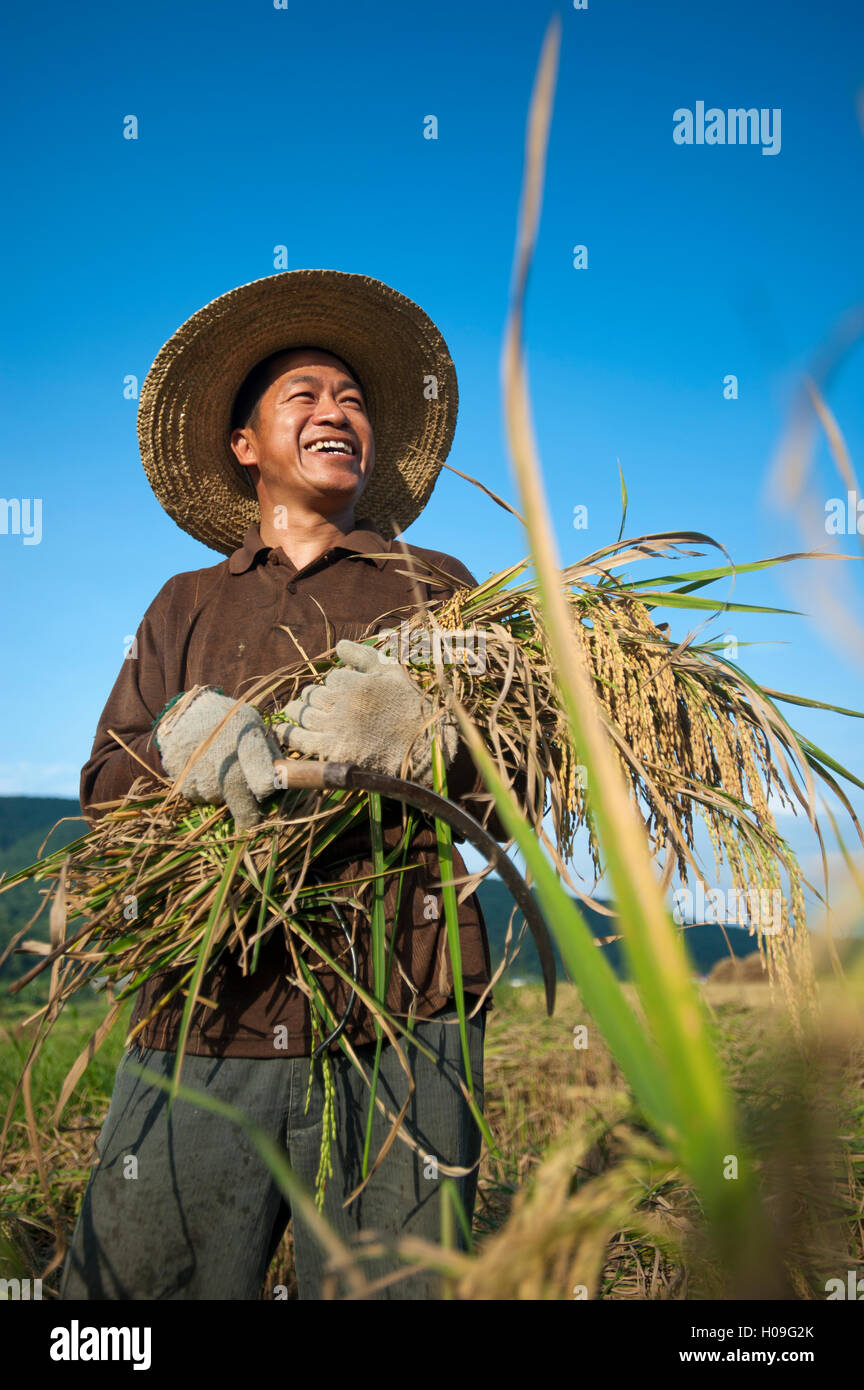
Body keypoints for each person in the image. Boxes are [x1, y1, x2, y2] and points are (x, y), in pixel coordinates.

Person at [59, 269, 507, 1301]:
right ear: (245, 445)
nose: (337, 410)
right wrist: (186, 739)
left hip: (402, 1010)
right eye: (304, 394)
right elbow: (106, 786)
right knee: (129, 1302)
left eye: (352, 398)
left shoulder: (437, 587)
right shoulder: (182, 604)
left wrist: (432, 733)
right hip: (207, 1009)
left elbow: (516, 787)